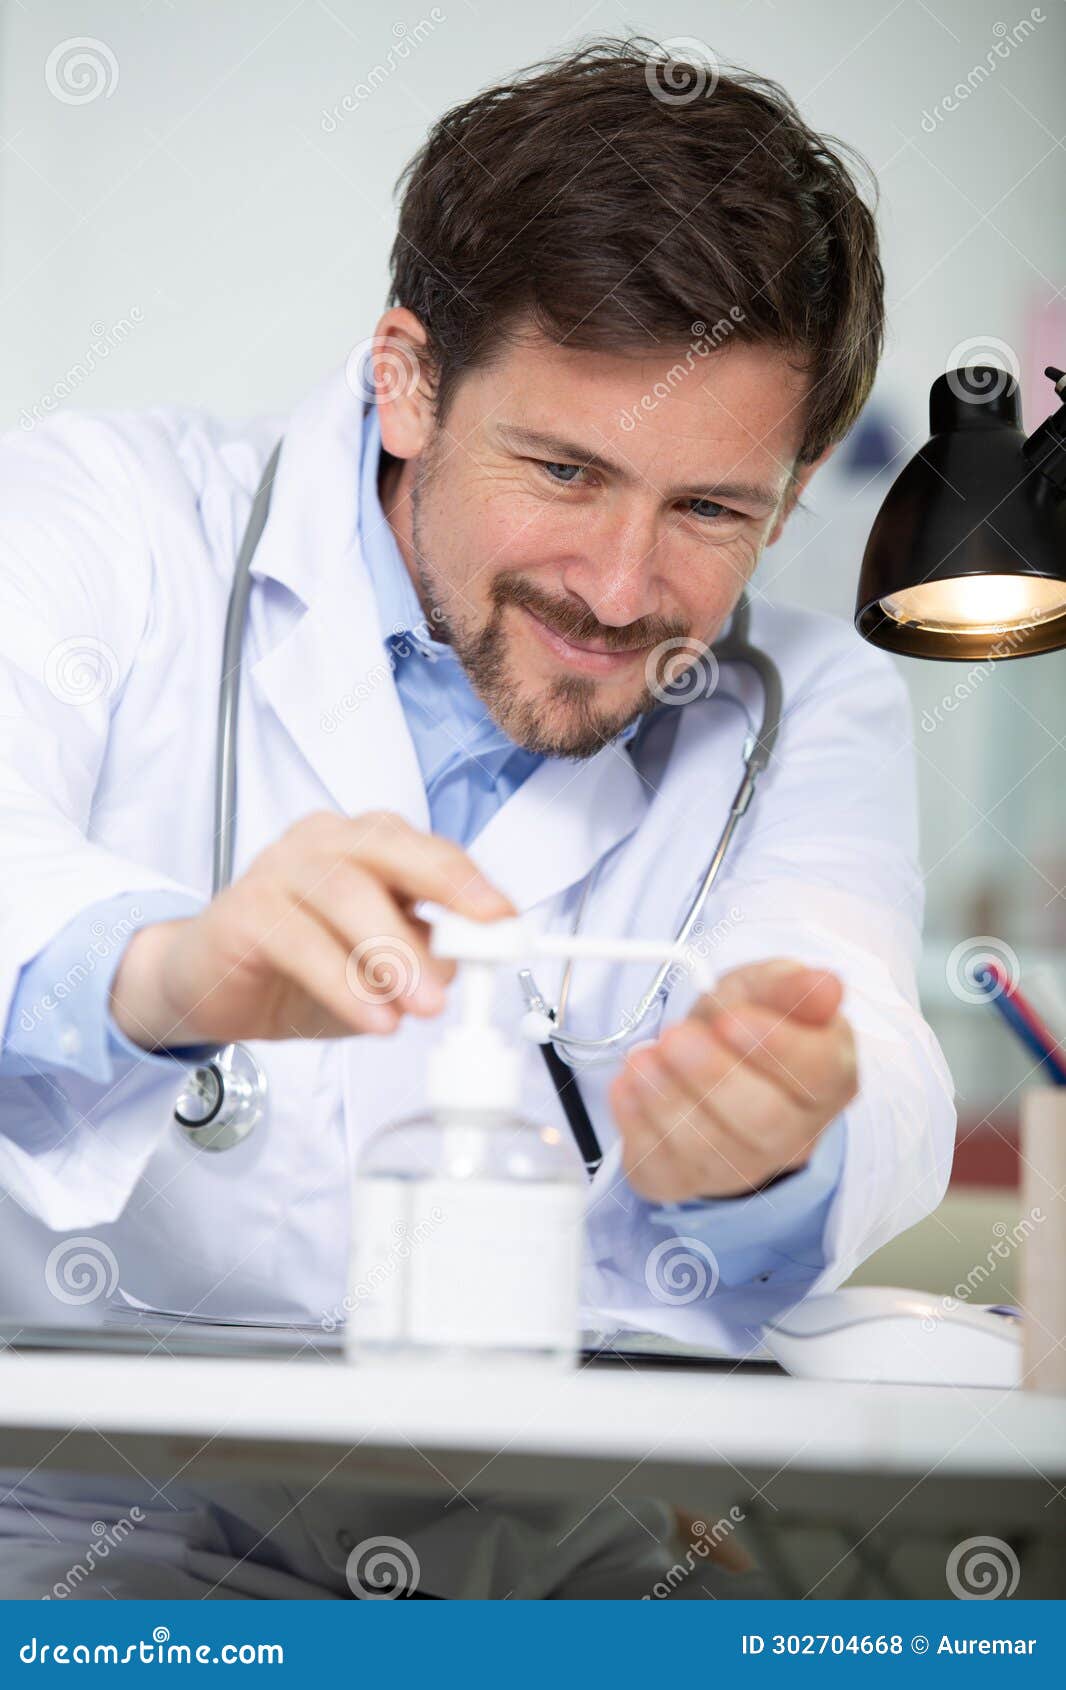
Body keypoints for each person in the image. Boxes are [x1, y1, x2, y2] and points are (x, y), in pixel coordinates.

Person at [0, 37, 955, 1599]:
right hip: (76, 1521)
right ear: (407, 379)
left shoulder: (803, 704)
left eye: (709, 508)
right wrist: (165, 971)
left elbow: (859, 1031)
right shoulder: (105, 516)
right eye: (564, 470)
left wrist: (776, 1136)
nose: (620, 588)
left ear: (787, 501)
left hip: (549, 1548)